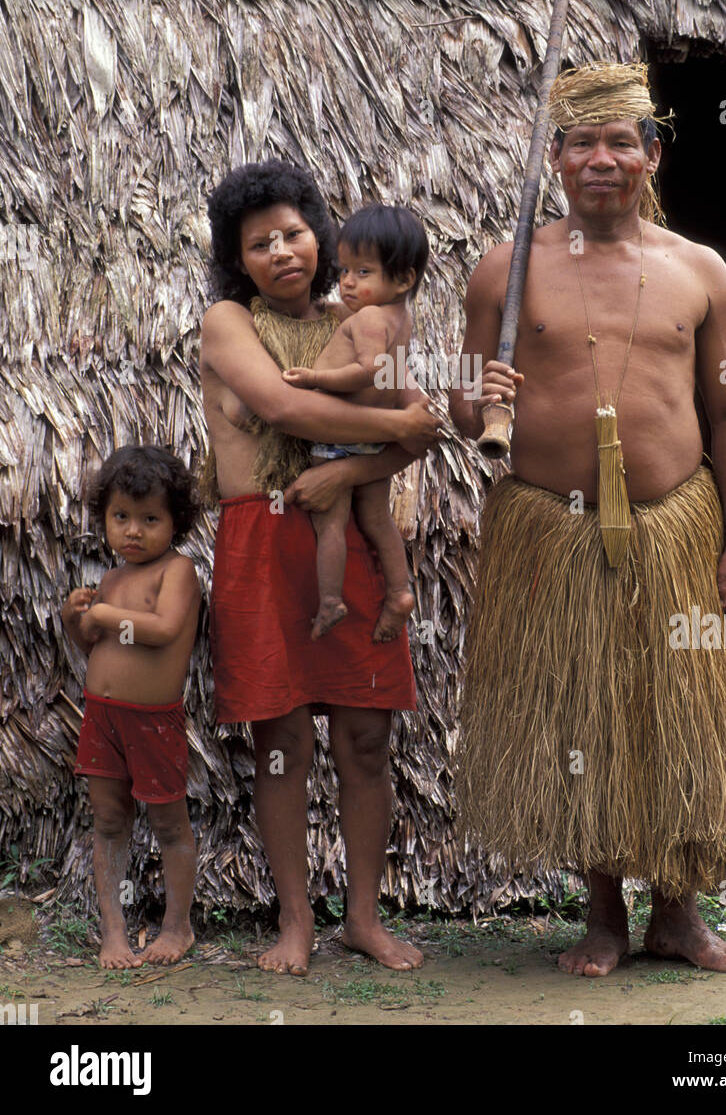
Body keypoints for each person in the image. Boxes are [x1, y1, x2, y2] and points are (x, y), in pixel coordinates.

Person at [450, 62, 726, 977]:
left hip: (677, 523)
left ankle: (679, 914)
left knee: (685, 715)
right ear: (554, 159)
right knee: (576, 721)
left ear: (652, 155)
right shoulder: (503, 271)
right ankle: (602, 916)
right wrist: (479, 400)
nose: (601, 159)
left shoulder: (698, 271)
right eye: (582, 143)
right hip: (549, 527)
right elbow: (462, 413)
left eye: (620, 143)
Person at [199, 159, 439, 976]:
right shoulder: (226, 323)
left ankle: (362, 920)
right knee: (282, 742)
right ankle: (295, 922)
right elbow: (284, 407)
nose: (281, 251)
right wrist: (399, 425)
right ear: (239, 258)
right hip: (262, 539)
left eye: (294, 232)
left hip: (351, 541)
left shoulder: (365, 320)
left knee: (367, 739)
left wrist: (347, 471)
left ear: (321, 234)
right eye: (259, 242)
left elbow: (420, 437)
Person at [61, 445, 202, 969]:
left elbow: (163, 630)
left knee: (169, 822)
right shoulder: (113, 579)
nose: (133, 531)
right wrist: (76, 621)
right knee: (109, 821)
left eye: (149, 519)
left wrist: (105, 613)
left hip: (153, 722)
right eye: (120, 517)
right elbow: (95, 650)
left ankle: (177, 925)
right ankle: (114, 932)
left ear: (176, 522)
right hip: (102, 716)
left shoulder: (178, 571)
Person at [284, 204, 429, 642]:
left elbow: (368, 369)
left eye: (362, 273)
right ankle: (400, 593)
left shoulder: (368, 318)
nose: (347, 281)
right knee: (378, 520)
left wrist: (315, 377)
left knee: (330, 523)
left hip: (341, 438)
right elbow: (390, 372)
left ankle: (330, 600)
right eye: (344, 270)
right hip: (373, 438)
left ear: (403, 279)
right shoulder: (397, 318)